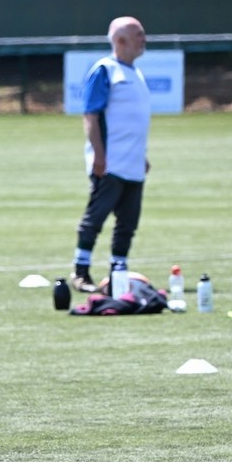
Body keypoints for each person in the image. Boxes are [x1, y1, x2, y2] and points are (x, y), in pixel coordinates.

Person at [70, 16, 151, 293]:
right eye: (138, 34)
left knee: (128, 223)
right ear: (120, 41)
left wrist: (143, 154)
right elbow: (91, 116)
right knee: (96, 218)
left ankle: (118, 272)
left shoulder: (135, 73)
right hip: (111, 163)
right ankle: (80, 271)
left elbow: (132, 120)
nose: (144, 38)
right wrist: (99, 155)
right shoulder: (105, 70)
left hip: (133, 163)